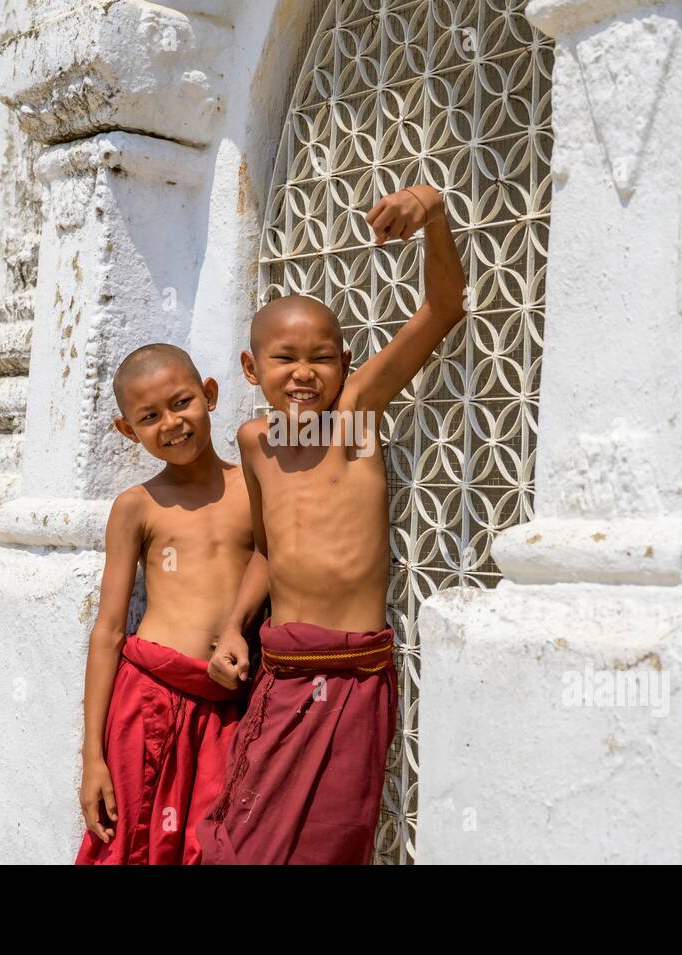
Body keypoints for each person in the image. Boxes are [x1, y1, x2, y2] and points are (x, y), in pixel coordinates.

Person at [198, 184, 467, 864]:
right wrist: (234, 624)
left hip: (352, 675)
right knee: (247, 842)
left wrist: (432, 213)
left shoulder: (354, 419)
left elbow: (442, 310)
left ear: (345, 365)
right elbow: (267, 548)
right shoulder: (256, 442)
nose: (304, 372)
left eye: (322, 356)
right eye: (285, 359)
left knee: (330, 845)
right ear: (252, 369)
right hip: (283, 671)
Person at [75, 344, 256, 865]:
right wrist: (93, 758)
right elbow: (108, 631)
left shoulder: (253, 488)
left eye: (182, 403)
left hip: (228, 704)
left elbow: (269, 563)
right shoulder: (137, 506)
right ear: (128, 430)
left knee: (210, 847)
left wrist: (238, 627)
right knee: (132, 844)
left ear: (211, 395)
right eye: (150, 417)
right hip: (148, 699)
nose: (172, 423)